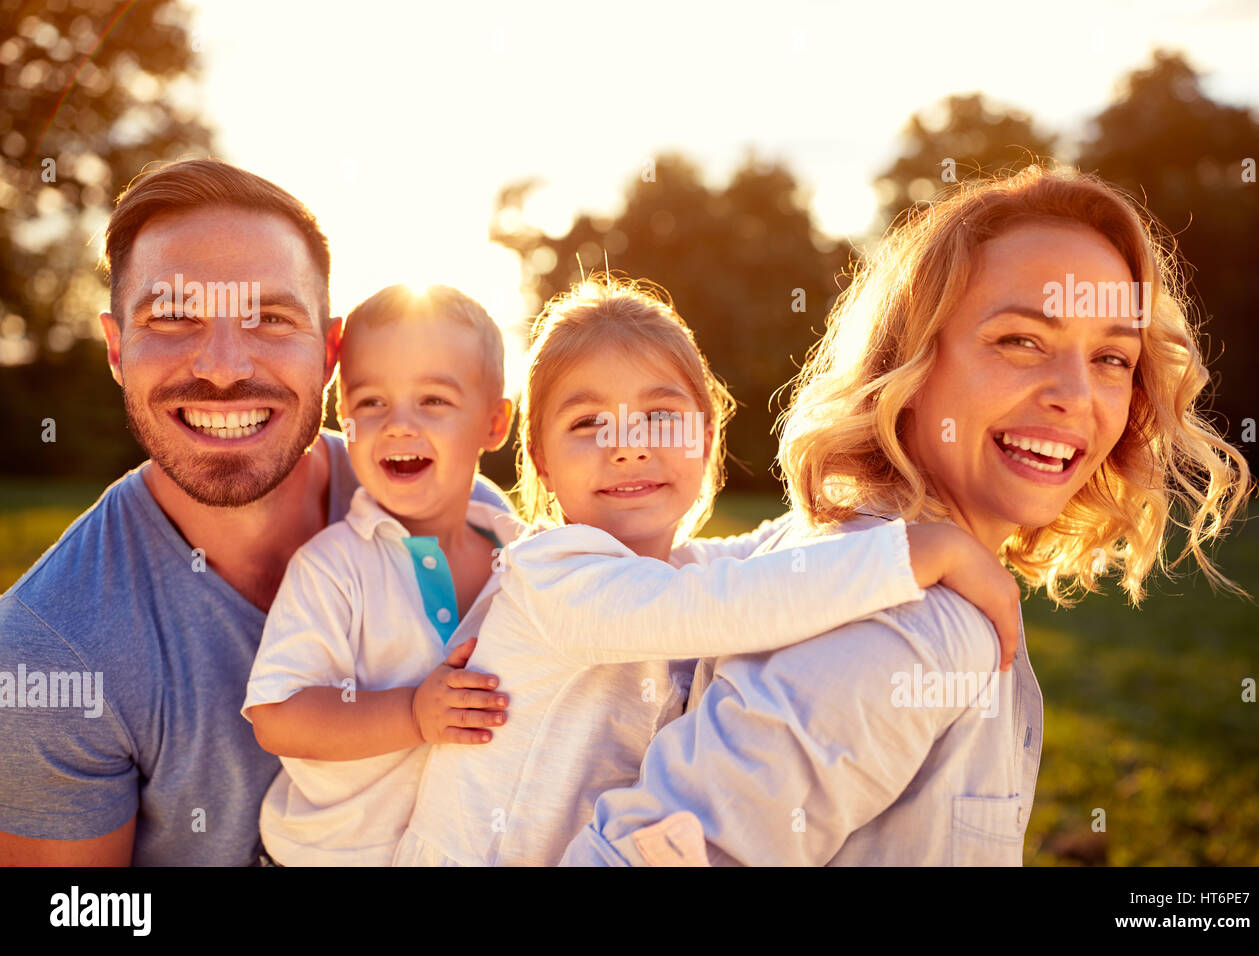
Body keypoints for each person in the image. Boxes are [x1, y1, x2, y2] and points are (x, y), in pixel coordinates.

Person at [559, 165, 1252, 866]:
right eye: (1021, 341)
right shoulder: (910, 626)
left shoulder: (826, 555)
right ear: (910, 363)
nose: (1075, 395)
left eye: (1111, 357)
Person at [394, 275, 1022, 866]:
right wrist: (916, 554)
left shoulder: (679, 568)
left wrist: (880, 506)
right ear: (543, 461)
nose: (629, 444)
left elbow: (771, 550)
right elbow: (728, 600)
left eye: (661, 415)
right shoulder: (552, 574)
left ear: (706, 433)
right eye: (587, 423)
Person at [0, 160, 508, 865]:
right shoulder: (52, 651)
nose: (223, 366)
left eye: (269, 318)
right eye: (173, 316)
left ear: (330, 352)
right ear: (117, 348)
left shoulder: (463, 514)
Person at [242, 284, 521, 866]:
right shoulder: (335, 566)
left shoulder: (520, 552)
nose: (398, 425)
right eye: (370, 403)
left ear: (494, 423)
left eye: (434, 401)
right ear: (342, 417)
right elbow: (277, 715)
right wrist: (412, 714)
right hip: (327, 856)